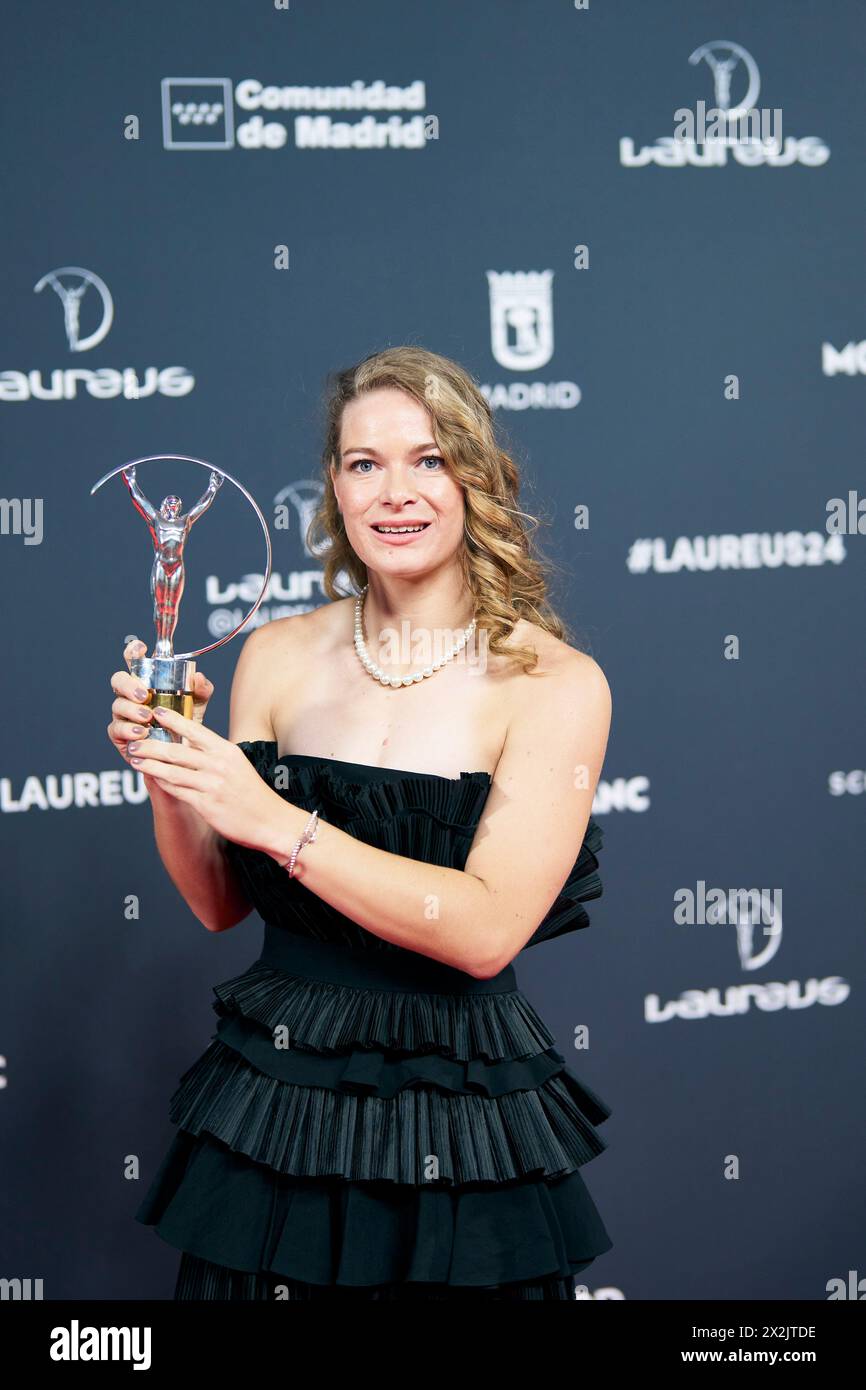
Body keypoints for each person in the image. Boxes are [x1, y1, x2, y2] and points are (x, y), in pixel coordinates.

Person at [107, 345, 614, 1300]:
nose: (396, 492)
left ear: (477, 480)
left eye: (429, 459)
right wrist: (171, 768)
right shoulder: (277, 655)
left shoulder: (554, 684)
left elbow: (483, 931)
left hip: (458, 1115)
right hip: (272, 1106)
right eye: (363, 463)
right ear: (334, 488)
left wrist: (272, 816)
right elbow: (219, 902)